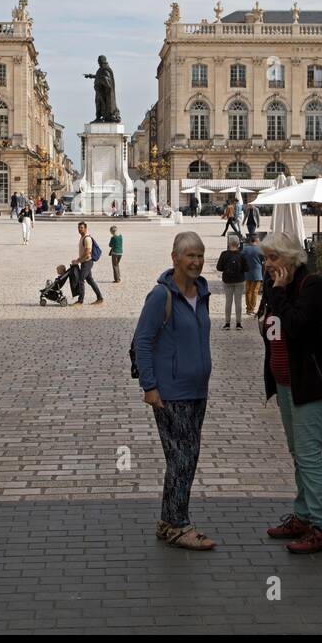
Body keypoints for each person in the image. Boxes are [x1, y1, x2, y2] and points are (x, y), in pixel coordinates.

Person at [259, 231, 322, 554]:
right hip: (286, 383)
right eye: (266, 257)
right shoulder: (276, 287)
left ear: (290, 258)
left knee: (309, 455)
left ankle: (321, 527)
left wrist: (280, 295)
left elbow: (297, 325)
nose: (268, 264)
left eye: (273, 257)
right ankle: (303, 514)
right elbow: (274, 327)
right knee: (298, 452)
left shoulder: (311, 286)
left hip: (311, 382)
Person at [131, 231, 215, 551]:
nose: (196, 261)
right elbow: (142, 341)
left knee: (185, 458)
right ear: (175, 258)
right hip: (171, 392)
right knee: (182, 457)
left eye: (200, 255)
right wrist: (150, 387)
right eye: (190, 255)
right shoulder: (160, 296)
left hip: (197, 390)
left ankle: (169, 520)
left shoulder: (202, 293)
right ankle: (178, 524)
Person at [215, 234, 247, 330]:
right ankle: (238, 323)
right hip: (240, 280)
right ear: (238, 244)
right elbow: (247, 268)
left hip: (227, 280)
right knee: (238, 302)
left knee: (228, 302)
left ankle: (227, 323)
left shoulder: (224, 254)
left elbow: (219, 268)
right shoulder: (242, 255)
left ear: (229, 244)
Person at [73, 221, 103, 305]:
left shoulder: (87, 239)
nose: (79, 229)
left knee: (81, 279)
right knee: (90, 280)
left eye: (81, 228)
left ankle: (80, 301)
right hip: (84, 262)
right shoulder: (82, 237)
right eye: (78, 228)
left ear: (86, 228)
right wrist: (78, 260)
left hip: (87, 262)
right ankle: (100, 298)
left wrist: (77, 261)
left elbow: (87, 253)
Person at [242, 231, 265, 317]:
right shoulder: (260, 249)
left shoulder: (244, 248)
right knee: (255, 291)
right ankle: (251, 309)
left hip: (247, 273)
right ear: (256, 240)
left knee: (248, 291)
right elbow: (264, 261)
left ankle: (248, 308)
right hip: (257, 273)